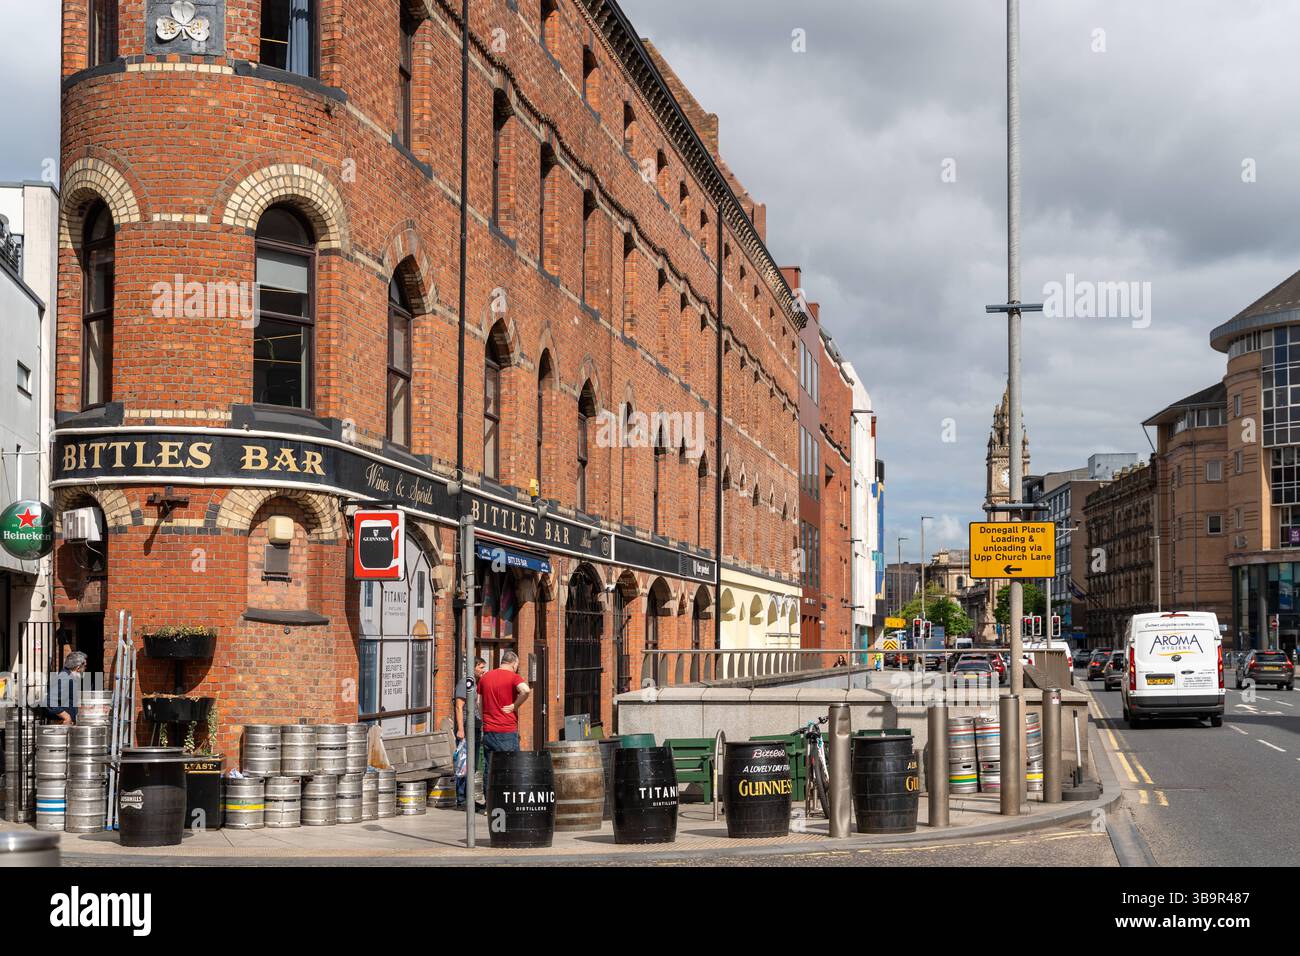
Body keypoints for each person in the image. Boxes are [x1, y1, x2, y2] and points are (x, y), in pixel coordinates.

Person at [477, 650, 531, 756]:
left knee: (491, 768)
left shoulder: (485, 677)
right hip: (507, 730)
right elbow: (526, 690)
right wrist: (515, 706)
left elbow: (479, 703)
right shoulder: (513, 677)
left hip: (489, 731)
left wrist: (485, 721)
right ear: (514, 664)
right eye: (517, 666)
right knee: (510, 768)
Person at [453, 657, 487, 809]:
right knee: (465, 763)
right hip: (467, 727)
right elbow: (459, 707)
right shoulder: (464, 682)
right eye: (481, 667)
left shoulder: (476, 683)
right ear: (473, 668)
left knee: (472, 764)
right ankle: (462, 799)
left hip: (476, 726)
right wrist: (460, 729)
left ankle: (469, 798)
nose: (483, 670)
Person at [45, 652, 88, 725]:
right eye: (84, 666)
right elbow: (49, 701)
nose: (85, 669)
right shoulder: (65, 678)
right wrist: (66, 717)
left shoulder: (69, 677)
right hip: (61, 725)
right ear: (78, 668)